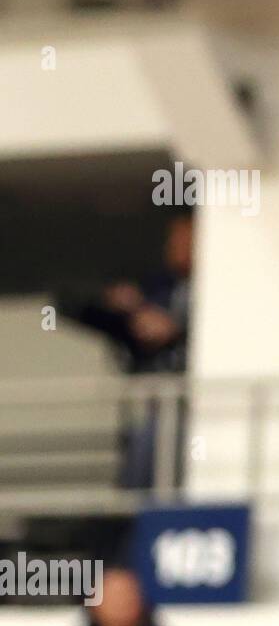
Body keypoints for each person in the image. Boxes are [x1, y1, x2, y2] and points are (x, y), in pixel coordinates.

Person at [59, 208, 194, 489]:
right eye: (174, 240)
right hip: (152, 405)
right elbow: (65, 302)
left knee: (162, 441)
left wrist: (177, 331)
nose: (177, 248)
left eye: (187, 238)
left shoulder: (224, 286)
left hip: (201, 408)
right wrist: (120, 302)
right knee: (144, 446)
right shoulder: (155, 287)